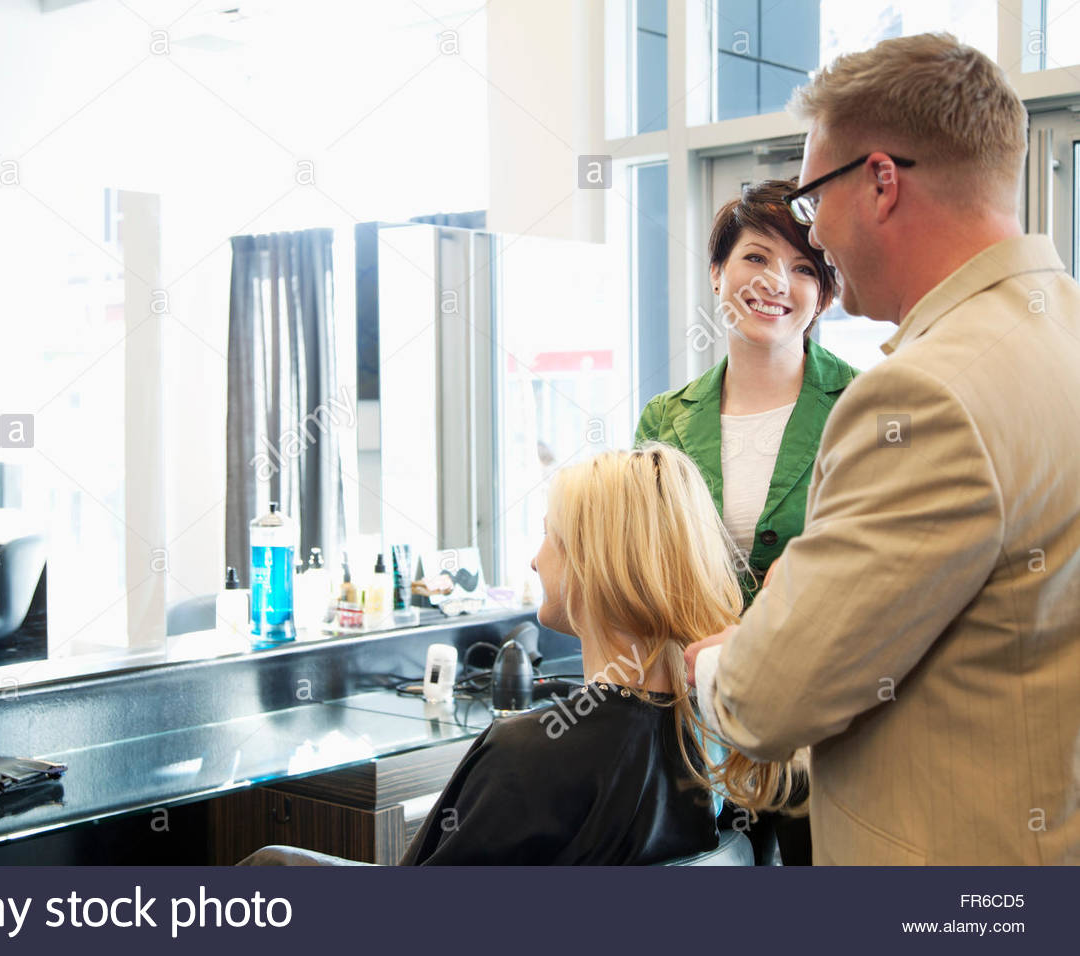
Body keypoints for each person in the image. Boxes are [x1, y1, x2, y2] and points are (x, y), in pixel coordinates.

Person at [684, 33, 1080, 864]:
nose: (814, 233)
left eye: (812, 199)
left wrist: (716, 665)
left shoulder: (923, 395)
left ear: (880, 182)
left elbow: (773, 696)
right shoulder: (1061, 332)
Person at [242, 447, 794, 865]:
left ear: (592, 568)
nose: (534, 561)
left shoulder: (529, 752)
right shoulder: (721, 732)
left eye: (549, 537)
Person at [635, 180, 858, 864]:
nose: (775, 283)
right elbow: (645, 564)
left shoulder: (861, 405)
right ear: (717, 273)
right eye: (755, 258)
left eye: (802, 269)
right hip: (694, 723)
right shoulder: (665, 419)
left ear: (824, 294)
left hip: (818, 733)